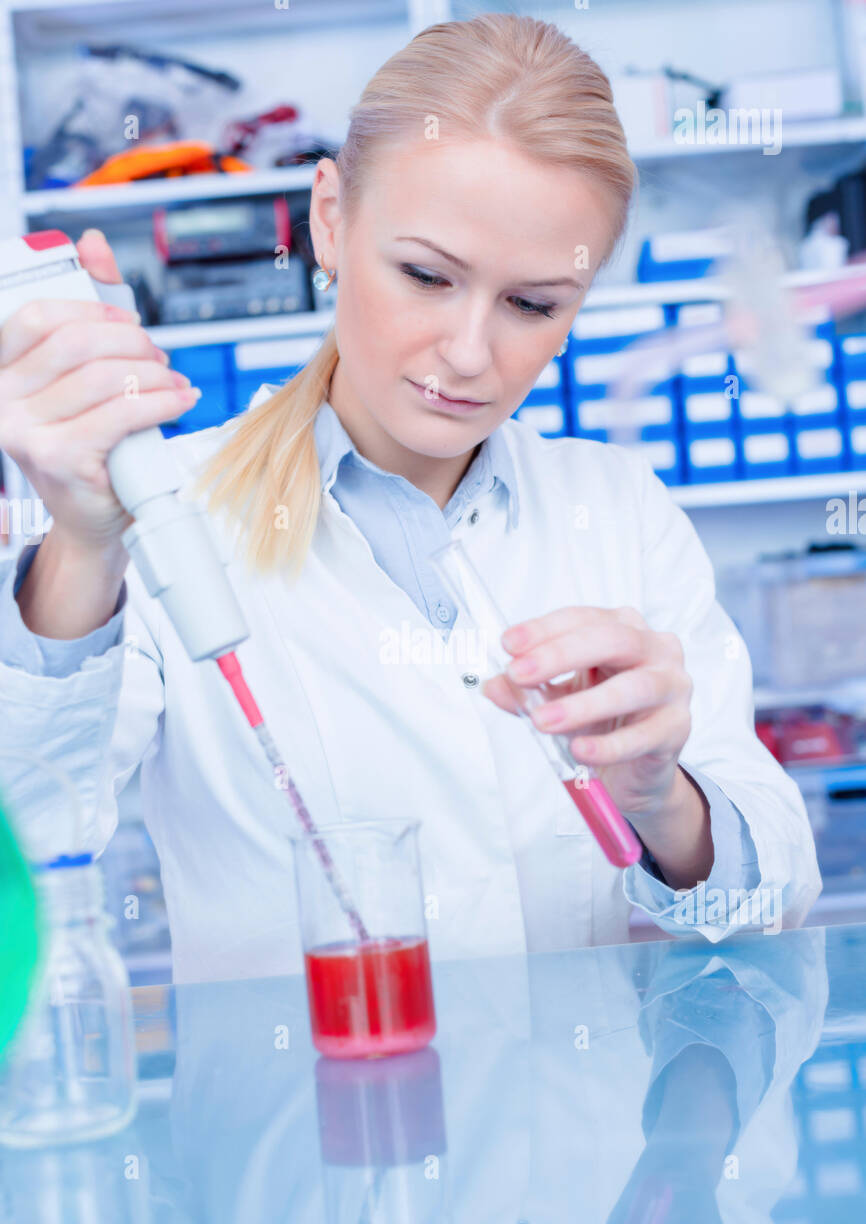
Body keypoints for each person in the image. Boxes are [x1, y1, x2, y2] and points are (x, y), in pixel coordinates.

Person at [0, 14, 821, 984]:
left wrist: (660, 799)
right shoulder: (165, 508)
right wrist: (88, 543)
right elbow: (39, 836)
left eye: (532, 305)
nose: (469, 354)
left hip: (584, 1128)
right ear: (330, 219)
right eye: (425, 275)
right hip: (293, 1127)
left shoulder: (619, 509)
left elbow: (771, 901)